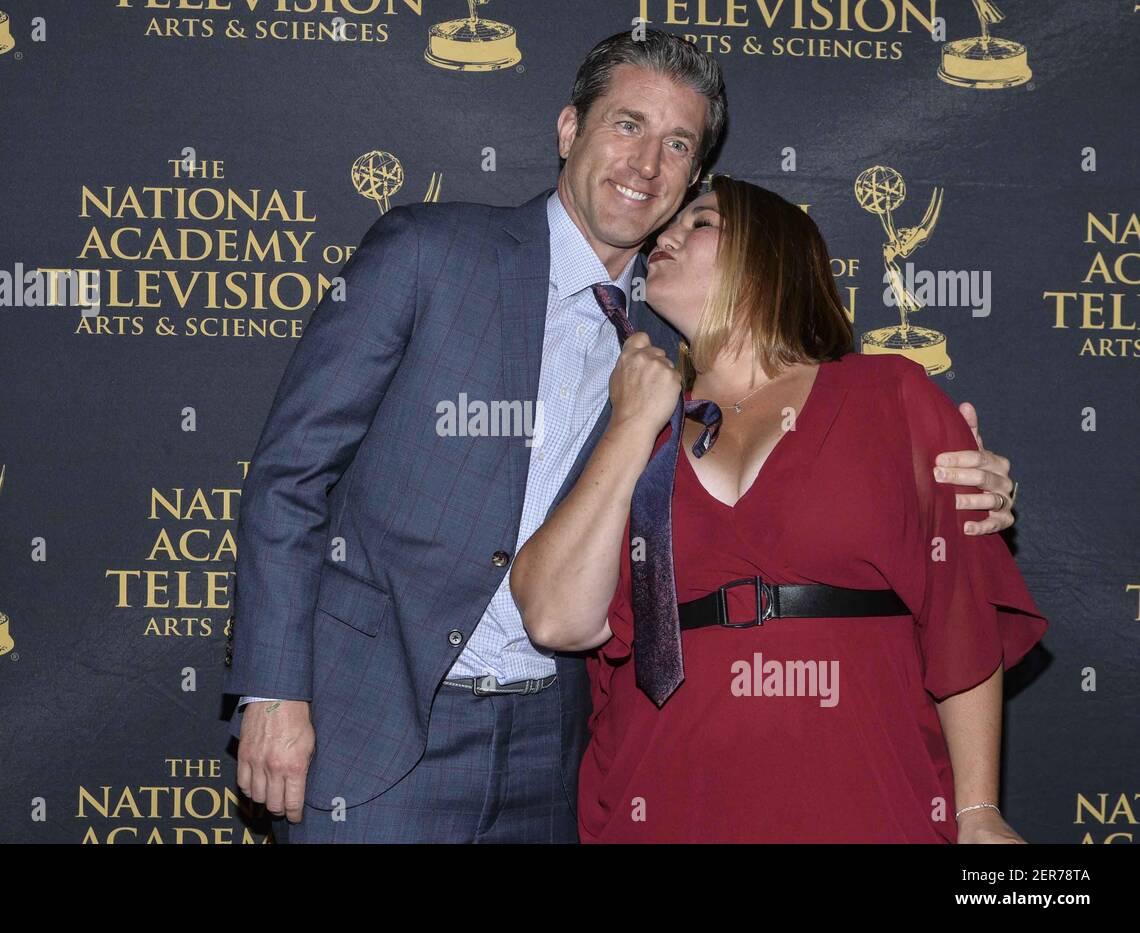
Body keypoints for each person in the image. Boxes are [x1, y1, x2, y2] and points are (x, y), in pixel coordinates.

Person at [225, 29, 1019, 844]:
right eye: (628, 125)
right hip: (383, 725)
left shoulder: (679, 344)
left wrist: (962, 483)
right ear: (570, 130)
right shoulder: (430, 252)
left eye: (677, 144)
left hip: (560, 752)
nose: (647, 163)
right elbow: (292, 473)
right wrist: (274, 689)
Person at [509, 175, 1048, 843]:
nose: (661, 240)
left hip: (867, 796)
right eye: (663, 230)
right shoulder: (635, 436)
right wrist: (632, 424)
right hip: (660, 798)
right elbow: (556, 616)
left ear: (771, 254)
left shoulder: (890, 394)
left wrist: (977, 810)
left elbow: (960, 611)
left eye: (699, 222)